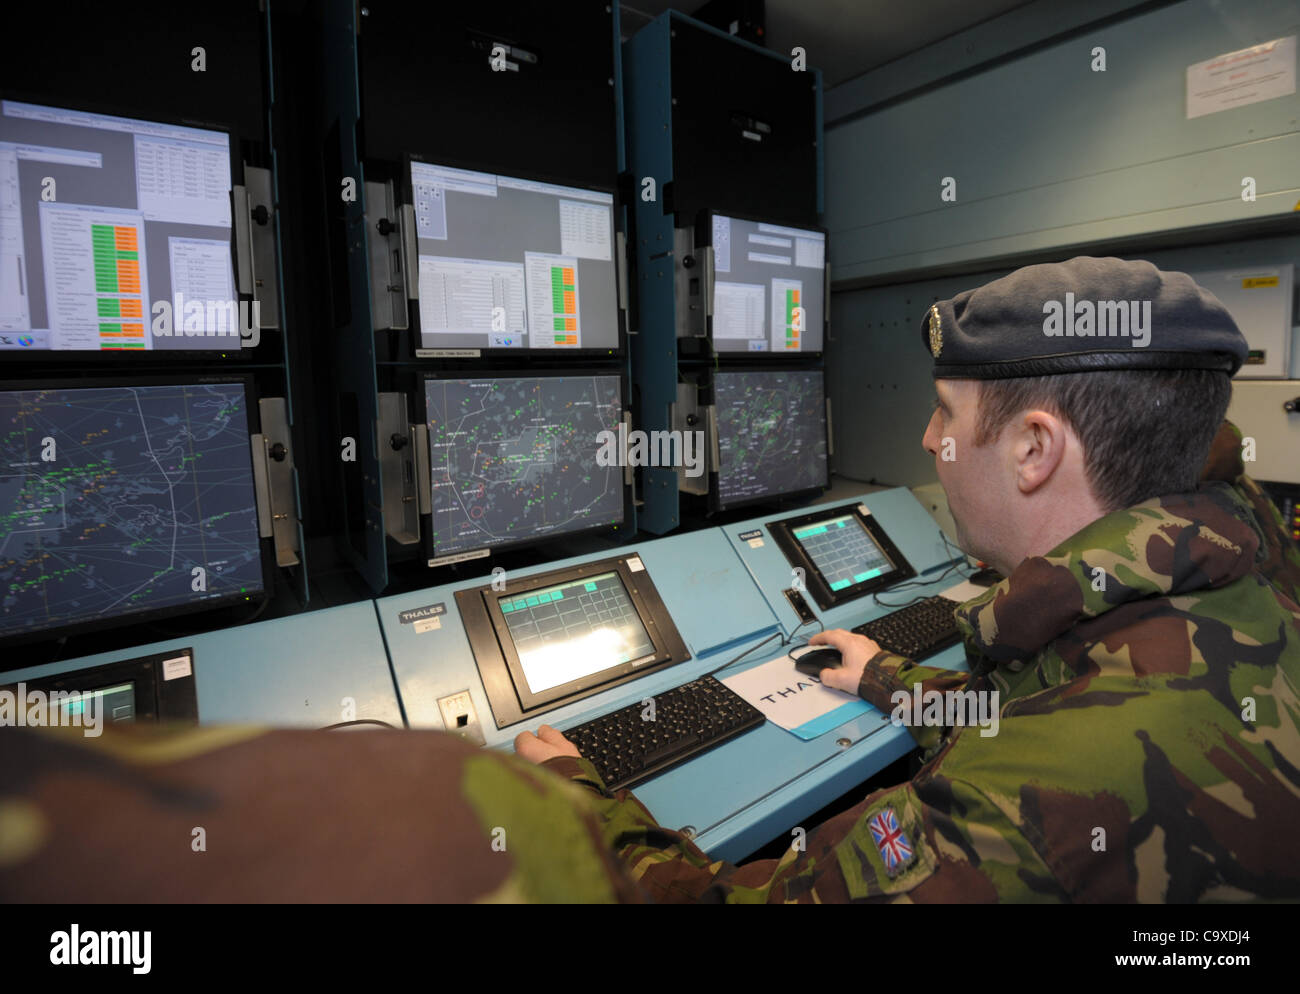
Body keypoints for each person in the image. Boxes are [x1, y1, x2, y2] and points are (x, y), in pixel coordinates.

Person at [515, 256, 1300, 902]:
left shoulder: (1018, 802)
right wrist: (887, 678)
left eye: (944, 413)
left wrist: (577, 808)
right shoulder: (1246, 563)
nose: (928, 440)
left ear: (1035, 449)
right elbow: (1053, 696)